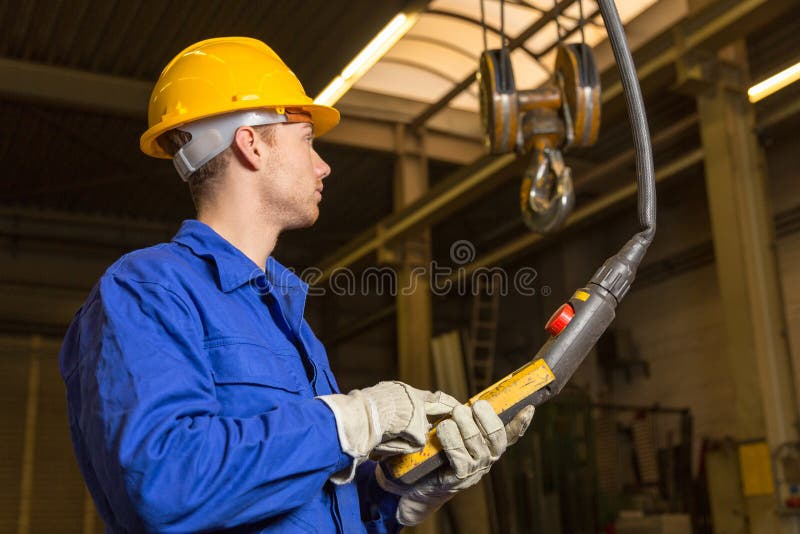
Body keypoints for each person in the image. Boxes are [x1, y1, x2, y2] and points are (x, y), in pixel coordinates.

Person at [59, 37, 535, 533]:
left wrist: (408, 490)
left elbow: (312, 503)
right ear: (252, 144)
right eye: (307, 139)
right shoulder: (147, 290)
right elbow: (163, 485)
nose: (323, 164)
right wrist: (350, 421)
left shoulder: (284, 316)